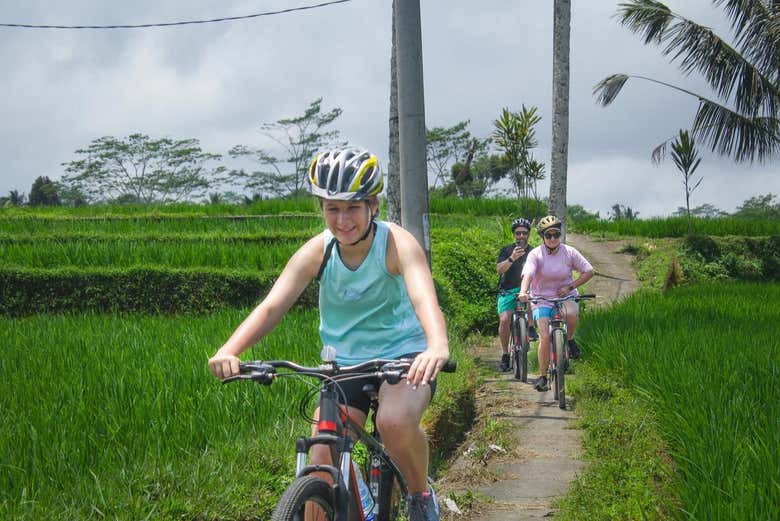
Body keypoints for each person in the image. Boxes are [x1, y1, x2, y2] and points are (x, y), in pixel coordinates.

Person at [208, 148, 449, 521]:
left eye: (352, 207)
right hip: (342, 364)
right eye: (331, 208)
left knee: (394, 422)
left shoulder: (397, 244)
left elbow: (424, 299)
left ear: (373, 204)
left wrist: (436, 346)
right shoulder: (318, 251)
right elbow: (272, 306)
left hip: (404, 357)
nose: (342, 219)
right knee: (321, 460)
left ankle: (419, 495)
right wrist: (230, 350)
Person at [518, 215, 594, 392]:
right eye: (548, 235)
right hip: (541, 298)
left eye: (556, 234)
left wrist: (570, 287)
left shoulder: (570, 252)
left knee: (572, 313)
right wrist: (523, 291)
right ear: (543, 237)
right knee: (544, 336)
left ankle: (570, 339)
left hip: (565, 295)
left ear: (560, 234)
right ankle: (543, 376)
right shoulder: (535, 254)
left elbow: (589, 271)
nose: (553, 239)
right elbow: (527, 274)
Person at [496, 218, 538, 372]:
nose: (521, 236)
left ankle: (532, 328)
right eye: (518, 233)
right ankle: (505, 354)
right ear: (513, 234)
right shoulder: (506, 250)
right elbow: (499, 270)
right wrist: (512, 258)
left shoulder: (534, 252)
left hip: (528, 290)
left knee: (530, 296)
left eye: (524, 233)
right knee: (505, 319)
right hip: (507, 290)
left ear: (529, 234)